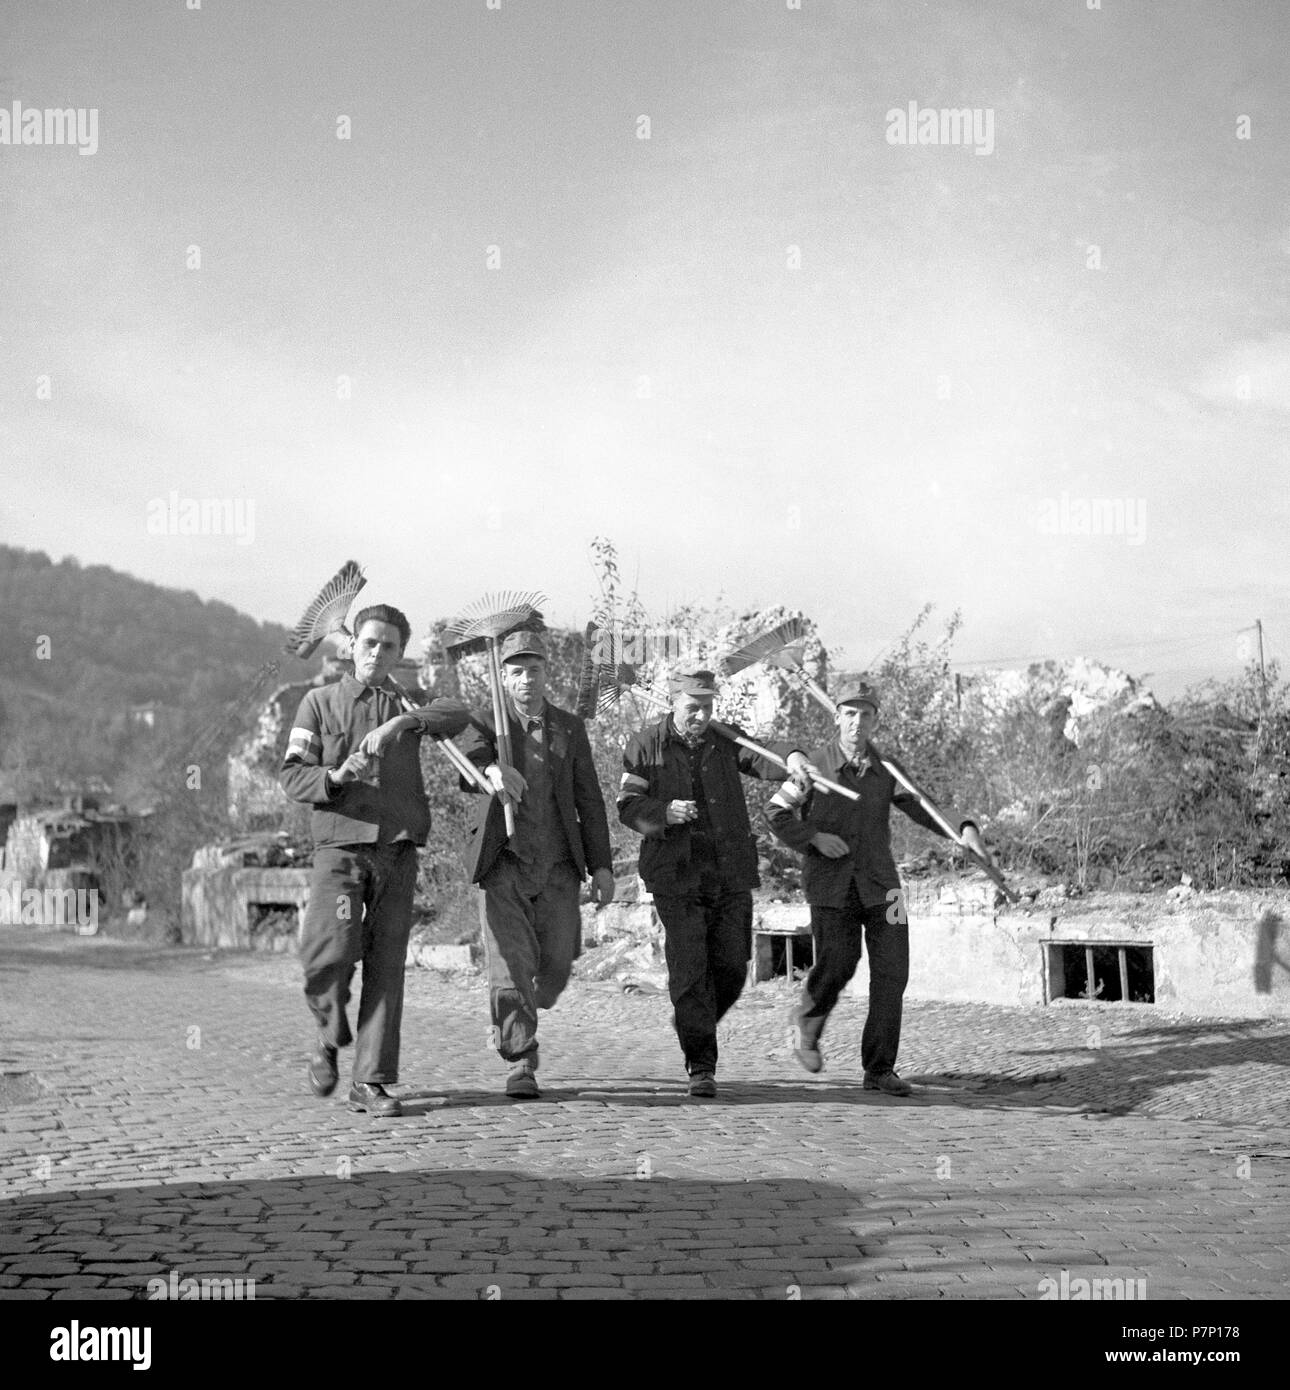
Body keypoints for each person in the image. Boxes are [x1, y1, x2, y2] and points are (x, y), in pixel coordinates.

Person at [281, 604, 470, 1118]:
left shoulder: (410, 707)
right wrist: (336, 777)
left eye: (389, 646)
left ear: (399, 652)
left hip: (397, 849)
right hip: (341, 850)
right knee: (331, 952)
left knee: (387, 967)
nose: (377, 653)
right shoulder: (317, 704)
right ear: (352, 647)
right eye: (370, 643)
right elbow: (293, 776)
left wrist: (401, 724)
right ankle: (328, 1032)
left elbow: (459, 713)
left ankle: (371, 1082)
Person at [765, 675, 994, 1094]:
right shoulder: (812, 767)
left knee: (893, 972)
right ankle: (806, 1025)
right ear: (837, 717)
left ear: (875, 721)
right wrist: (813, 838)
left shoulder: (886, 770)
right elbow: (777, 813)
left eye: (865, 715)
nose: (857, 723)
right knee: (839, 963)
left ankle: (879, 1068)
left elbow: (925, 805)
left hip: (883, 887)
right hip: (831, 887)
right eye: (849, 714)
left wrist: (964, 828)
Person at [618, 669, 816, 1098]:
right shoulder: (645, 745)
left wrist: (795, 756)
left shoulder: (724, 739)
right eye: (693, 707)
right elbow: (627, 805)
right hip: (676, 875)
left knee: (731, 966)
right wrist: (664, 813)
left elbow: (763, 755)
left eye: (708, 706)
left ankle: (693, 1022)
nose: (702, 715)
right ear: (673, 703)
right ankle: (701, 1065)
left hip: (729, 871)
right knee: (690, 971)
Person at [456, 630, 615, 1099]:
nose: (527, 679)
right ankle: (520, 1059)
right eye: (518, 671)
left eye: (535, 670)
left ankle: (527, 1011)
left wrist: (602, 866)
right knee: (512, 966)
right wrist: (489, 771)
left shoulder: (570, 727)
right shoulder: (486, 723)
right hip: (504, 861)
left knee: (558, 964)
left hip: (559, 864)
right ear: (504, 677)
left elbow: (590, 798)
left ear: (548, 672)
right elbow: (466, 758)